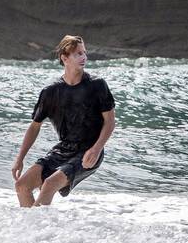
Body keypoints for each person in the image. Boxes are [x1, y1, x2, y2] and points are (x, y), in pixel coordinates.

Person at [12, 34, 115, 207]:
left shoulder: (97, 85)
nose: (84, 58)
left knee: (49, 184)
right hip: (64, 149)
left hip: (89, 151)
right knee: (22, 185)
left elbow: (110, 122)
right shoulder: (50, 92)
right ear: (64, 58)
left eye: (84, 53)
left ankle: (36, 229)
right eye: (78, 54)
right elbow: (34, 126)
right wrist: (19, 158)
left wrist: (96, 149)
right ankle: (32, 230)